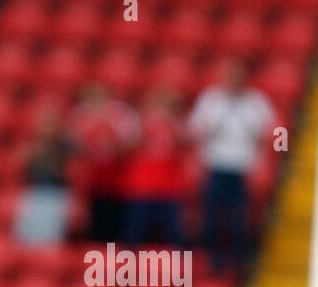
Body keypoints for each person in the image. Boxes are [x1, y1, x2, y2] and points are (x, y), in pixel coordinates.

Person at [188, 59, 275, 272]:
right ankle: (214, 261)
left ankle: (239, 262)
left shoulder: (256, 102)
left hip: (244, 166)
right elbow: (195, 130)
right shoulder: (211, 100)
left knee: (239, 219)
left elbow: (271, 131)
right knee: (212, 216)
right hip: (215, 164)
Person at [69, 82, 139, 244]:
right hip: (93, 178)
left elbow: (128, 144)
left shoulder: (118, 116)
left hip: (115, 177)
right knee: (93, 219)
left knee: (114, 216)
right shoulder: (82, 118)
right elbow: (77, 147)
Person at [121, 88, 189, 248]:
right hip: (143, 187)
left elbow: (187, 145)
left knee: (172, 235)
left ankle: (176, 269)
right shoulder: (141, 123)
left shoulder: (178, 126)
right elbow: (127, 145)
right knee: (134, 232)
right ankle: (127, 267)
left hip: (169, 188)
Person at [12, 105, 75, 245]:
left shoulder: (65, 145)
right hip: (34, 192)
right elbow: (22, 168)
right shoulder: (34, 145)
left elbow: (67, 170)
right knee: (26, 238)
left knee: (47, 239)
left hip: (55, 193)